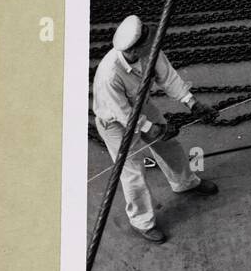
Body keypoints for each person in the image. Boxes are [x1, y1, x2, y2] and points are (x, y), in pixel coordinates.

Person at [91, 15, 217, 244]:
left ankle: (185, 183)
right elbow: (124, 114)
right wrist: (152, 129)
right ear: (134, 50)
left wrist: (192, 103)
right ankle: (142, 222)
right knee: (133, 171)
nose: (151, 44)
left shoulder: (150, 50)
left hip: (142, 105)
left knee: (169, 146)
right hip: (115, 122)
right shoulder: (109, 75)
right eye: (146, 43)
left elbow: (168, 78)